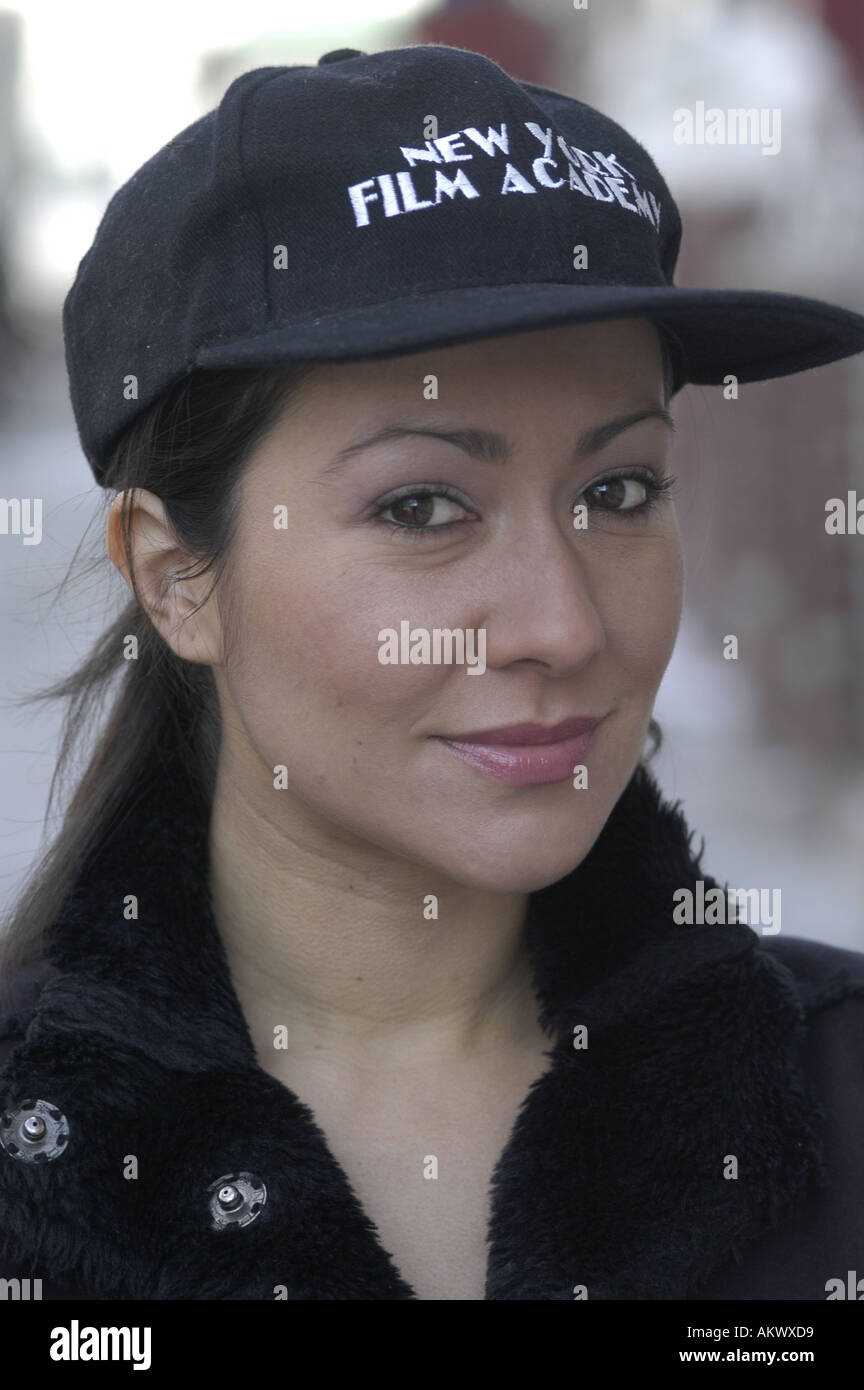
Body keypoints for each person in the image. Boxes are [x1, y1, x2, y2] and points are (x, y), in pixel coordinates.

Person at [1, 43, 863, 1303]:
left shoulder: (838, 1090)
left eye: (618, 490)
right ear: (175, 575)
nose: (561, 625)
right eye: (421, 506)